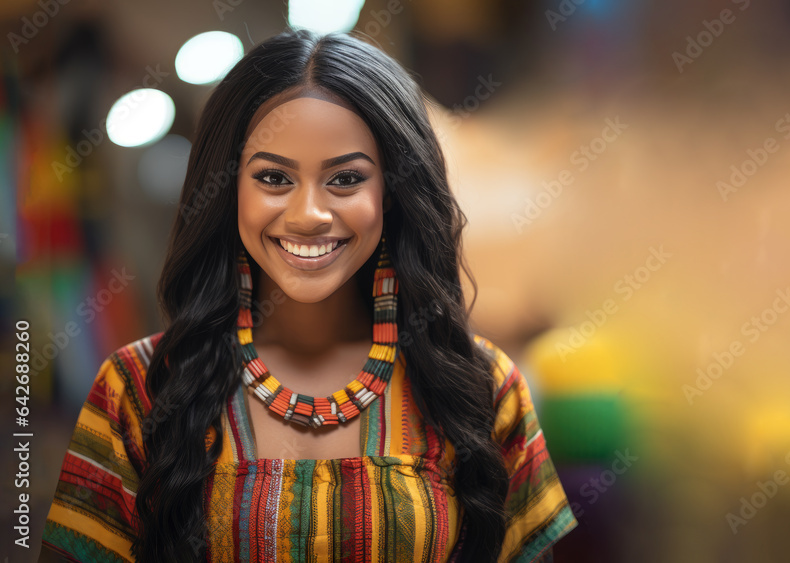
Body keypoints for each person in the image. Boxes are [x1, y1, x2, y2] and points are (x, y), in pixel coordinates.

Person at [39, 29, 577, 562]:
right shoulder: (138, 390)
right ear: (228, 191)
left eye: (345, 179)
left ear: (393, 191)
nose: (309, 215)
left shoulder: (481, 389)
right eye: (273, 177)